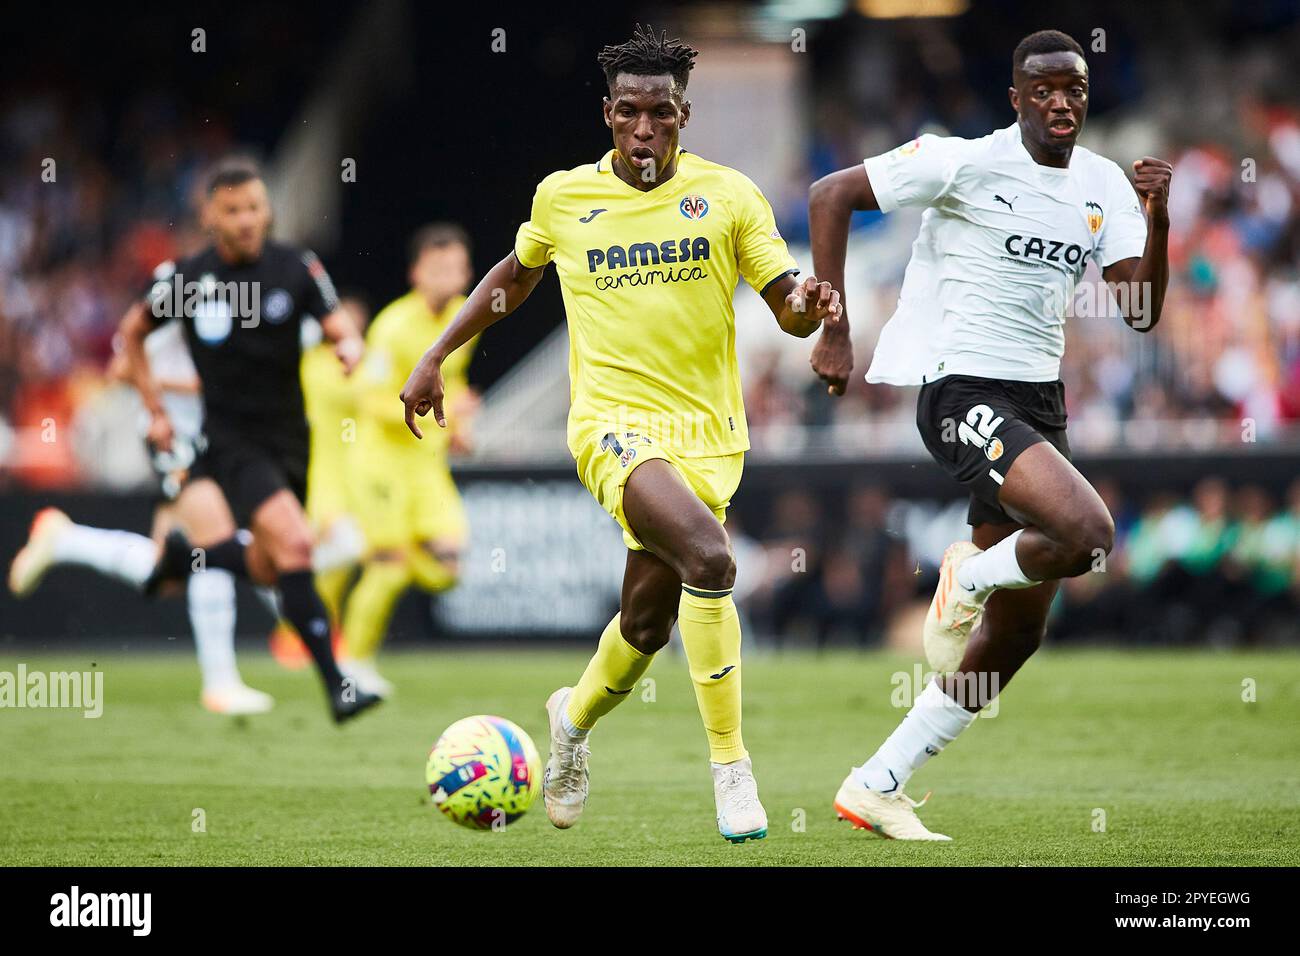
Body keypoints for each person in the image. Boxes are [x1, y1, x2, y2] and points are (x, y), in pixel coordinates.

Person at [399, 24, 841, 843]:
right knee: (712, 558)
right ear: (608, 114)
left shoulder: (730, 196)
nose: (646, 130)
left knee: (646, 624)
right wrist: (435, 354)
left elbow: (781, 298)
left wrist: (807, 305)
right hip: (612, 428)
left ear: (684, 116)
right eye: (632, 113)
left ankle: (571, 722)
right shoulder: (564, 197)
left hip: (709, 438)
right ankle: (731, 769)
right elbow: (514, 277)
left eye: (663, 115)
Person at [807, 29, 1171, 839]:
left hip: (1038, 403)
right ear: (1015, 99)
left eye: (1073, 87)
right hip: (961, 388)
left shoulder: (1105, 183)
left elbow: (1141, 311)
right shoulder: (962, 161)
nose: (1060, 101)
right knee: (1086, 534)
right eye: (1042, 88)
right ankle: (968, 577)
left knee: (1018, 633)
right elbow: (831, 194)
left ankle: (878, 781)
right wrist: (833, 329)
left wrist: (1157, 216)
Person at [125, 157, 382, 723]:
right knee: (295, 545)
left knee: (271, 566)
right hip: (231, 442)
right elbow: (132, 335)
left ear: (267, 211)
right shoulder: (188, 279)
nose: (245, 219)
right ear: (210, 217)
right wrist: (155, 411)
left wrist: (350, 348)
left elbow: (339, 324)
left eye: (254, 208)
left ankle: (186, 556)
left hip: (291, 439)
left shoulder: (297, 267)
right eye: (232, 210)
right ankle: (337, 686)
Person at [8, 322, 272, 715]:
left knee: (166, 573)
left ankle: (66, 539)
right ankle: (221, 683)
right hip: (174, 439)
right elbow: (120, 369)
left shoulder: (233, 294)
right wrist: (202, 386)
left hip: (210, 443)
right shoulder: (176, 296)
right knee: (214, 541)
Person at [337, 225, 478, 696]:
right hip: (381, 463)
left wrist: (458, 424)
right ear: (415, 273)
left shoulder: (464, 318)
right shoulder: (392, 328)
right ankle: (352, 664)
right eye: (436, 267)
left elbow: (453, 385)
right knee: (391, 568)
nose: (447, 276)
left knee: (448, 567)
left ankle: (365, 547)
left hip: (425, 466)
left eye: (455, 267)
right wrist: (427, 410)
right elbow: (368, 400)